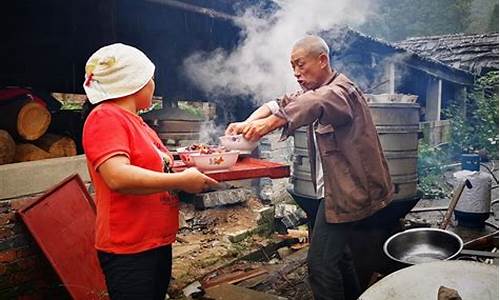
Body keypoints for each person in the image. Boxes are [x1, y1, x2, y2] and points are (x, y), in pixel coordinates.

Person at [226, 36, 394, 300]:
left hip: (347, 194)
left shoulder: (341, 90)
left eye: (300, 65)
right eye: (292, 66)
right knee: (340, 258)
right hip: (329, 193)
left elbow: (315, 103)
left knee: (321, 266)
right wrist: (246, 124)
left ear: (322, 60)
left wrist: (268, 125)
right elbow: (281, 103)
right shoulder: (314, 89)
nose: (296, 73)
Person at [82, 43, 218, 300]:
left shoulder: (139, 124)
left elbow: (155, 168)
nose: (153, 85)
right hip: (129, 247)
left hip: (155, 242)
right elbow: (117, 176)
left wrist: (189, 168)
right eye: (151, 78)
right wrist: (181, 179)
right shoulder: (106, 118)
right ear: (135, 83)